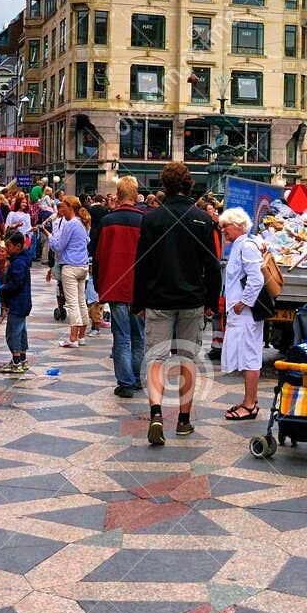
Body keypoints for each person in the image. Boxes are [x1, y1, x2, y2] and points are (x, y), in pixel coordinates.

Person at [133, 161, 222, 446]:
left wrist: (138, 301)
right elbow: (212, 264)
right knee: (188, 358)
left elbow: (141, 264)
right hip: (192, 299)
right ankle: (183, 420)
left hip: (158, 297)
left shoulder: (152, 218)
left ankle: (157, 413)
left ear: (165, 185)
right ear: (189, 185)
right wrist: (212, 301)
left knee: (156, 358)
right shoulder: (202, 218)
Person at [92, 176, 146, 398]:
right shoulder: (145, 220)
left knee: (121, 336)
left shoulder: (108, 221)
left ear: (118, 194)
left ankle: (125, 383)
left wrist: (99, 283)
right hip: (139, 287)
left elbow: (97, 255)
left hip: (115, 286)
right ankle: (136, 377)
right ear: (135, 195)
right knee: (138, 336)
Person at [219, 206, 265, 421]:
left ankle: (249, 404)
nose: (222, 230)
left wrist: (243, 303)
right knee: (248, 354)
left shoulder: (246, 246)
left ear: (237, 226)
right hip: (242, 312)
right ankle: (249, 400)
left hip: (246, 313)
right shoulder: (242, 244)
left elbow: (257, 278)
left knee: (250, 356)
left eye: (225, 226)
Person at [50, 196, 91, 349]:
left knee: (73, 303)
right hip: (83, 266)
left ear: (70, 207)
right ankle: (81, 337)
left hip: (70, 266)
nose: (62, 210)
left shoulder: (70, 224)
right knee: (82, 302)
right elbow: (86, 241)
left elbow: (59, 246)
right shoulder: (82, 222)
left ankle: (73, 338)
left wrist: (51, 237)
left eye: (64, 207)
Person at [0, 226, 33, 374]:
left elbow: (16, 283)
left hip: (17, 303)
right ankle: (22, 359)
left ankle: (16, 361)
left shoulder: (18, 263)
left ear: (18, 246)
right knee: (21, 330)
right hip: (22, 303)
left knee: (13, 332)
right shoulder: (20, 260)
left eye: (9, 246)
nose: (7, 249)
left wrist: (3, 289)